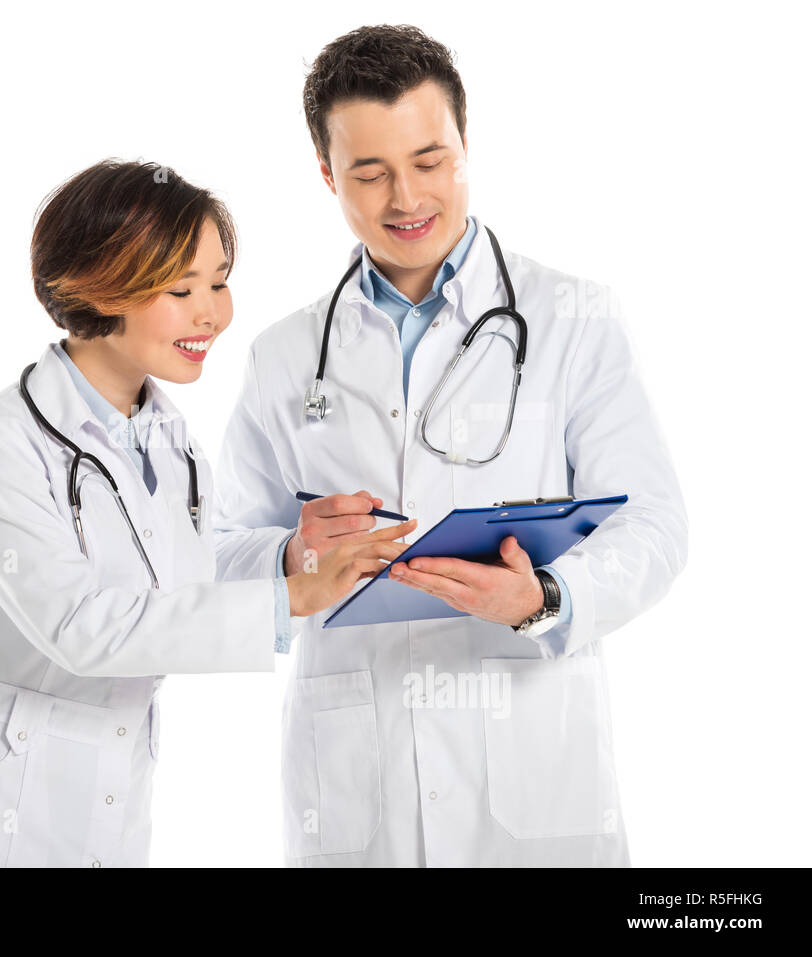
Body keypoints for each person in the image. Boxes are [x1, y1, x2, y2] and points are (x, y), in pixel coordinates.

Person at [212, 25, 688, 866]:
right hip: (361, 791)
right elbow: (217, 554)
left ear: (466, 147)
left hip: (533, 772)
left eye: (431, 161)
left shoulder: (573, 319)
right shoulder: (284, 357)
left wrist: (544, 595)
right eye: (370, 172)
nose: (407, 197)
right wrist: (293, 552)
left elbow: (654, 524)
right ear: (327, 175)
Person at [0, 159, 415, 867]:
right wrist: (287, 599)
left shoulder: (168, 436)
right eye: (181, 288)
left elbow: (178, 572)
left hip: (110, 796)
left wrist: (288, 555)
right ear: (103, 287)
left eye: (218, 282)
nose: (212, 312)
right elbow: (80, 625)